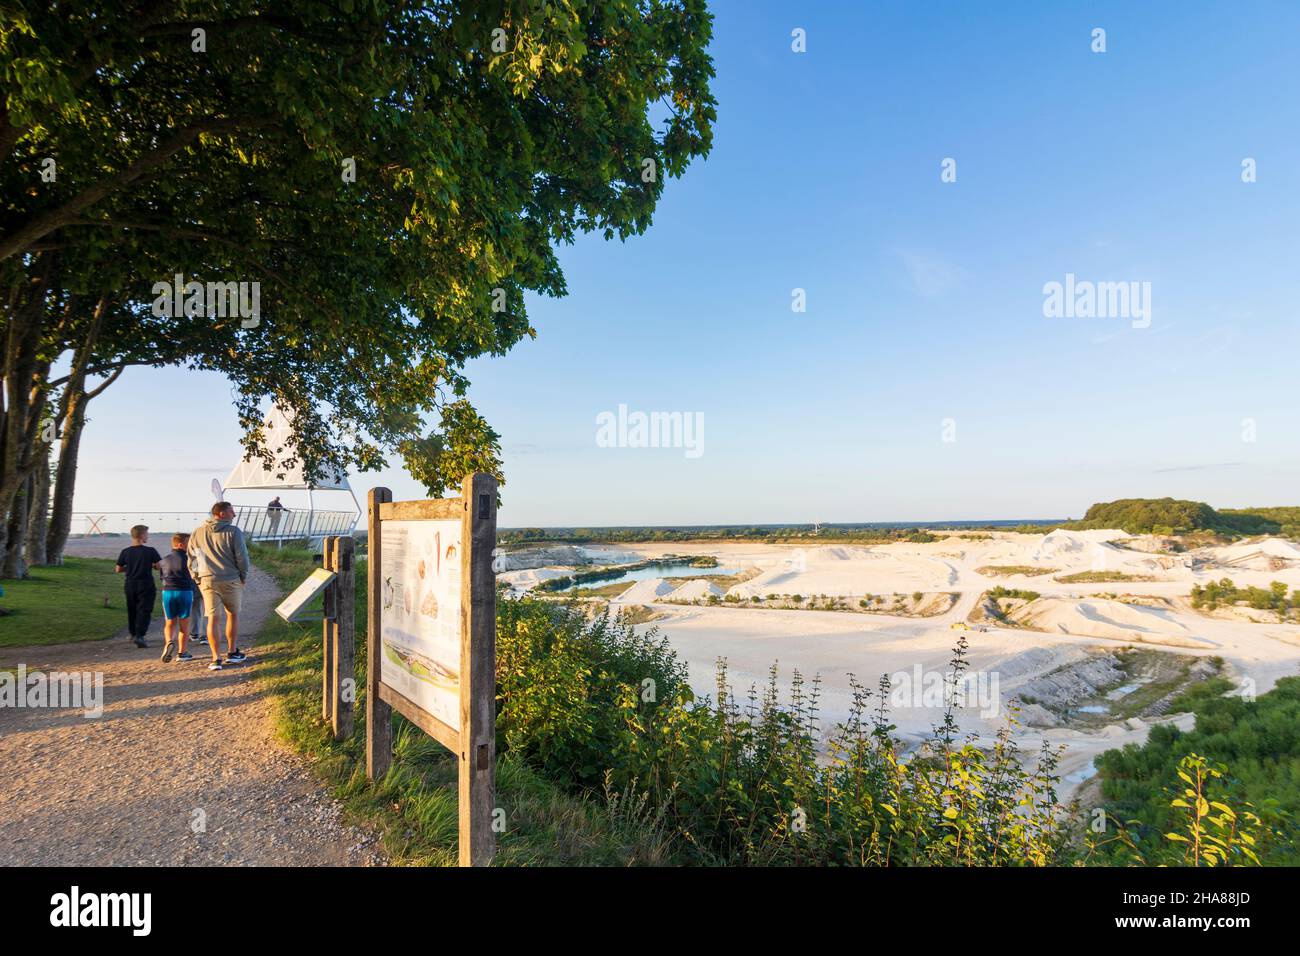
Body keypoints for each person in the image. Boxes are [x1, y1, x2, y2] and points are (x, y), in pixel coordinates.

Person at [189, 501, 250, 670]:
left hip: (207, 580)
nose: (234, 514)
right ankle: (232, 651)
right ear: (221, 513)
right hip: (231, 579)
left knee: (212, 619)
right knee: (232, 615)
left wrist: (197, 578)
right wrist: (243, 577)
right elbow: (242, 558)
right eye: (232, 511)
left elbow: (193, 558)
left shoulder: (197, 533)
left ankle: (216, 658)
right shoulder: (233, 532)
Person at [115, 525, 161, 648]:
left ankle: (133, 633)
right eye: (147, 534)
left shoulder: (126, 551)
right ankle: (140, 635)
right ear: (141, 536)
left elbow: (118, 569)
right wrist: (150, 565)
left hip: (130, 584)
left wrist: (129, 568)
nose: (148, 536)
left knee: (132, 608)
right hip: (146, 583)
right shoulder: (150, 551)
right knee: (145, 609)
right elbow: (158, 566)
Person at [158, 533, 197, 662]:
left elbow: (161, 576)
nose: (190, 545)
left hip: (168, 592)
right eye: (188, 543)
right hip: (185, 592)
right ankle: (182, 652)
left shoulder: (164, 560)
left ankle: (169, 642)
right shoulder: (190, 559)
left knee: (170, 622)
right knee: (184, 624)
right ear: (181, 544)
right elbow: (197, 574)